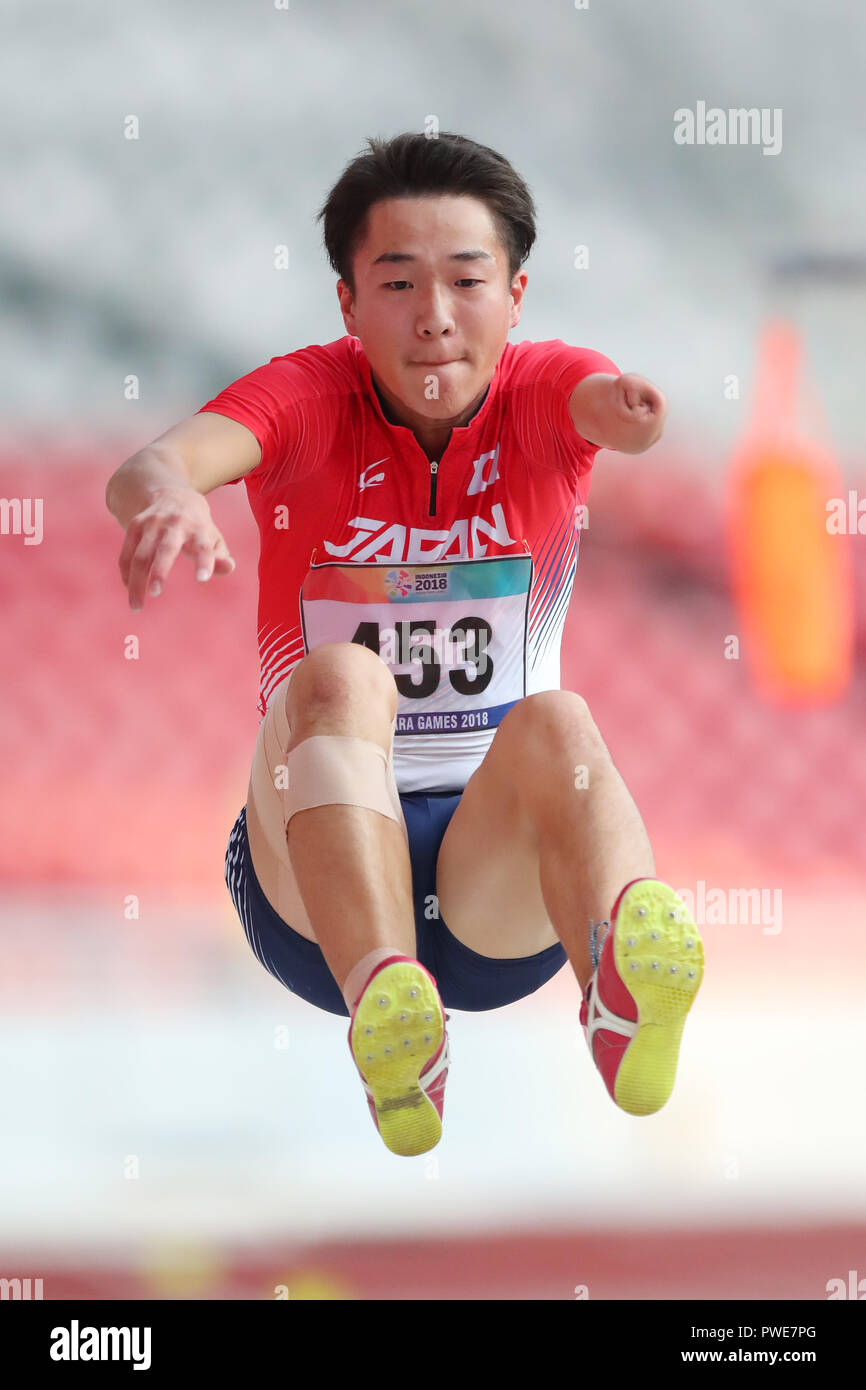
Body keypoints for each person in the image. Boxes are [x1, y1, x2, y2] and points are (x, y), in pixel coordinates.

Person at [105, 130, 704, 1159]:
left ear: (514, 297)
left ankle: (615, 984)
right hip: (315, 885)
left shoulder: (543, 392)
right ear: (346, 303)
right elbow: (157, 462)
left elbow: (597, 402)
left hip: (498, 881)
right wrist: (168, 500)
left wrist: (626, 416)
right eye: (396, 283)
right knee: (336, 676)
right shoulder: (301, 398)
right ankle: (392, 1025)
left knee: (557, 720)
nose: (432, 317)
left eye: (465, 281)